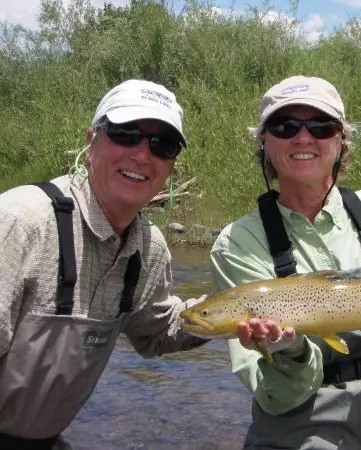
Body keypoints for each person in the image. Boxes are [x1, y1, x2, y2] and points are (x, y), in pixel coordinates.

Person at [210, 75, 361, 449]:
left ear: (341, 142)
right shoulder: (237, 244)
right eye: (285, 126)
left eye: (321, 126)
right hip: (296, 427)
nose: (303, 138)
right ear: (264, 143)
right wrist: (288, 351)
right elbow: (273, 396)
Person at [0, 79, 207, 449]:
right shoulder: (22, 221)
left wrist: (238, 316)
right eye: (126, 134)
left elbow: (157, 331)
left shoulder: (150, 248)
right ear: (91, 140)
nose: (143, 155)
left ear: (172, 165)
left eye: (163, 144)